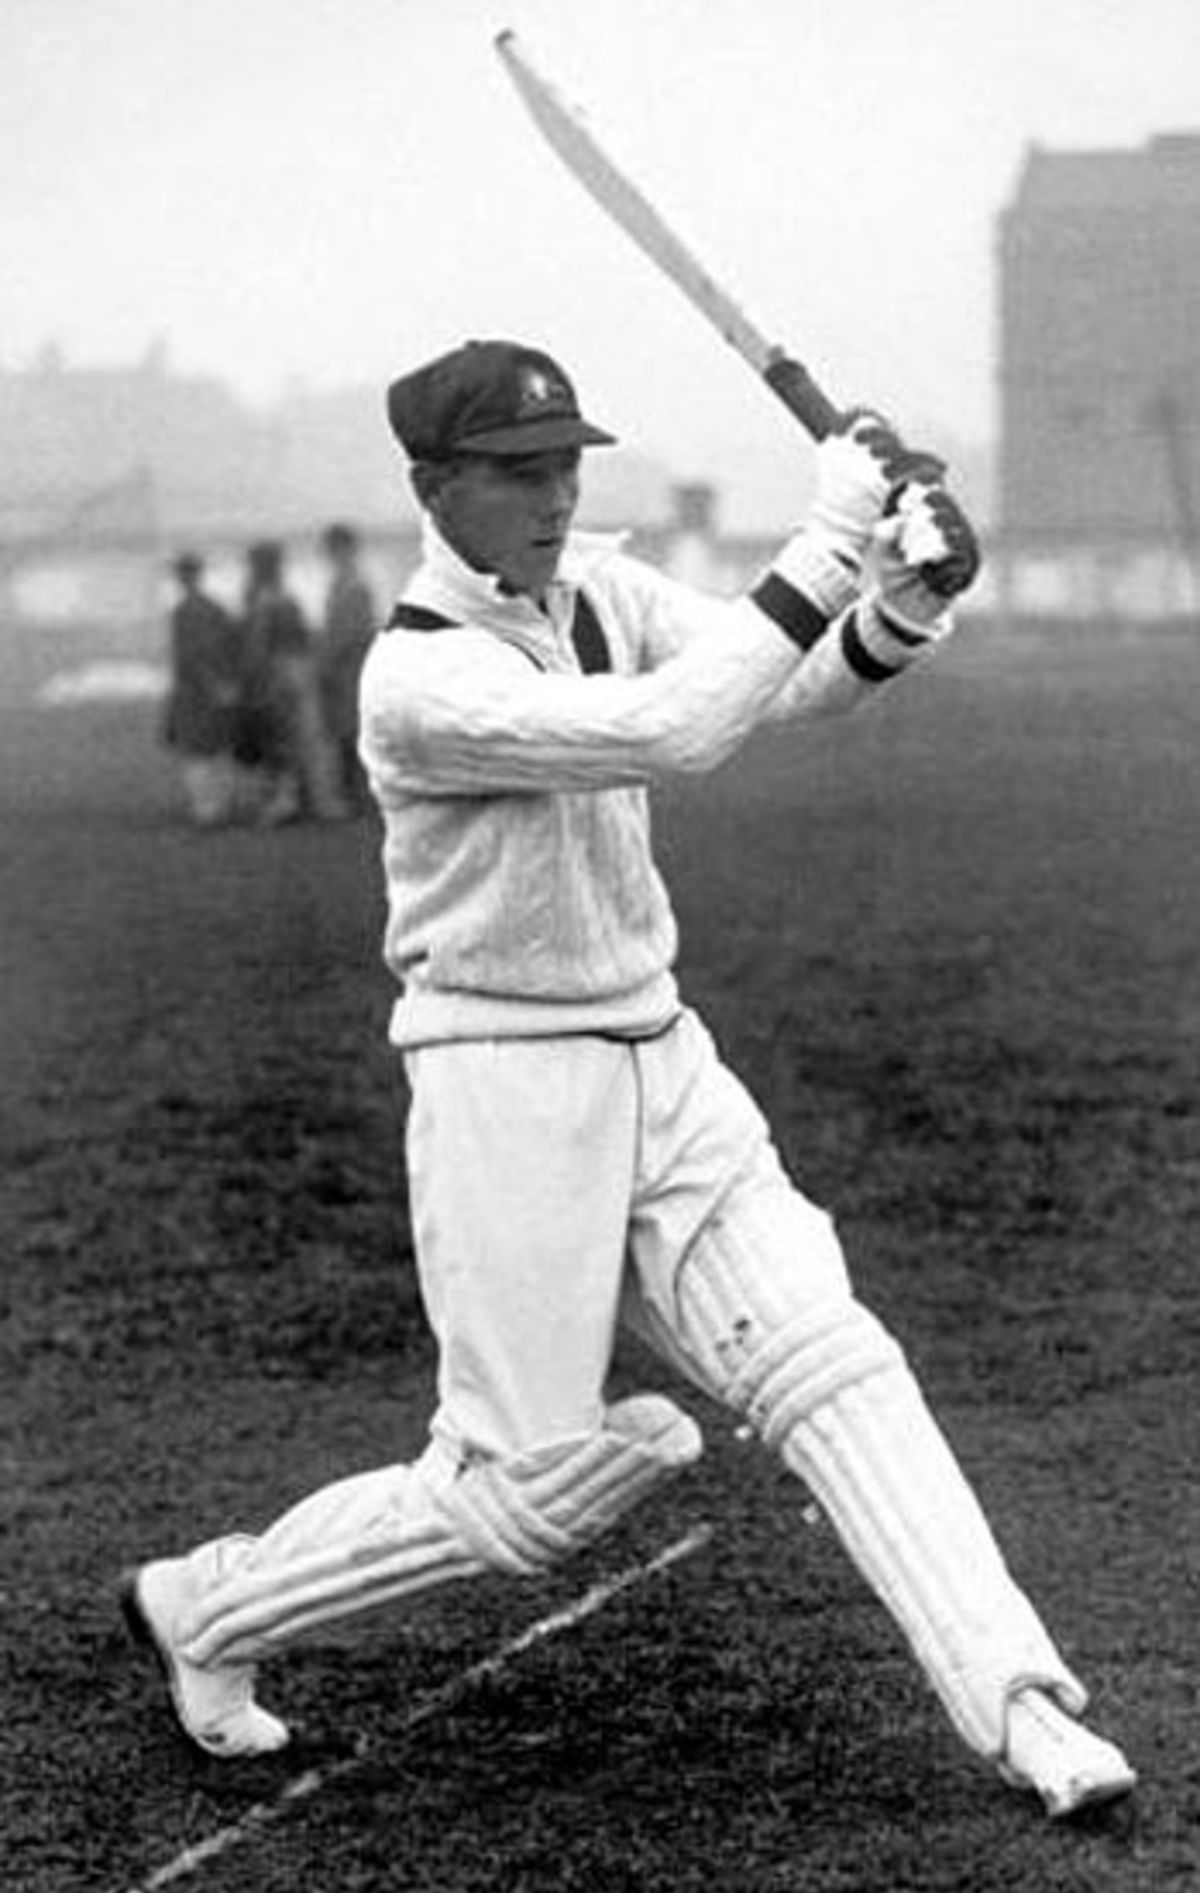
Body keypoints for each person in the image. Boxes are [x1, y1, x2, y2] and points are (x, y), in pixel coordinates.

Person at [120, 340, 1135, 1821]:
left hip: (662, 1052)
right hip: (502, 1085)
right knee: (517, 1506)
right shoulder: (416, 677)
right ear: (432, 488)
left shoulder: (596, 588)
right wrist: (834, 530)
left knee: (831, 1362)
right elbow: (673, 730)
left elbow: (763, 683)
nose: (553, 496)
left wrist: (899, 607)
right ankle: (201, 1614)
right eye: (518, 474)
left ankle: (1029, 1710)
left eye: (566, 465)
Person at [238, 538, 349, 827]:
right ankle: (314, 801)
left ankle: (290, 802)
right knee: (306, 740)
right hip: (297, 671)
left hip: (280, 674)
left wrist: (254, 681)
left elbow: (258, 645)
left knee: (285, 740)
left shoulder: (261, 598)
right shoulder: (282, 597)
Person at [160, 552, 243, 828]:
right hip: (217, 688)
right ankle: (222, 804)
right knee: (218, 748)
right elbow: (233, 644)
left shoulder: (183, 612)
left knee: (197, 751)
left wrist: (209, 684)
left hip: (194, 692)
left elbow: (188, 657)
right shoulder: (216, 609)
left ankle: (207, 809)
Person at [317, 521, 378, 812]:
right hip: (343, 668)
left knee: (352, 731)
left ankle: (357, 795)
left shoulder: (354, 586)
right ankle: (351, 793)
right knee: (343, 732)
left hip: (350, 668)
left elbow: (353, 633)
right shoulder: (341, 584)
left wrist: (328, 658)